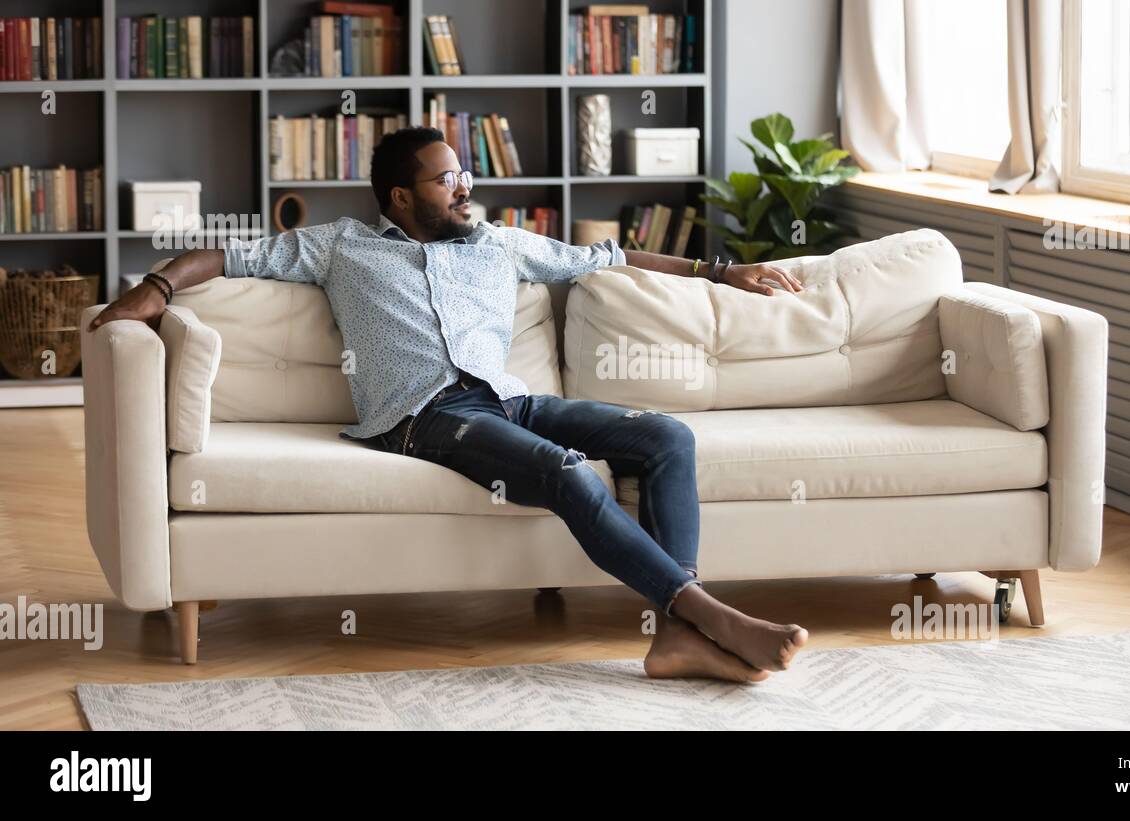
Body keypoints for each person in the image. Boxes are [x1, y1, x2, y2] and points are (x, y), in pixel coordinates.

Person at [90, 126, 810, 683]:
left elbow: (611, 258)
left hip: (511, 403)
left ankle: (678, 635)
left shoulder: (497, 243)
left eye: (463, 174)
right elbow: (227, 256)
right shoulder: (341, 247)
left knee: (667, 436)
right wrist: (155, 288)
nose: (465, 188)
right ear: (401, 197)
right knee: (565, 471)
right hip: (424, 417)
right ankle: (711, 617)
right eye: (446, 179)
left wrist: (721, 272)